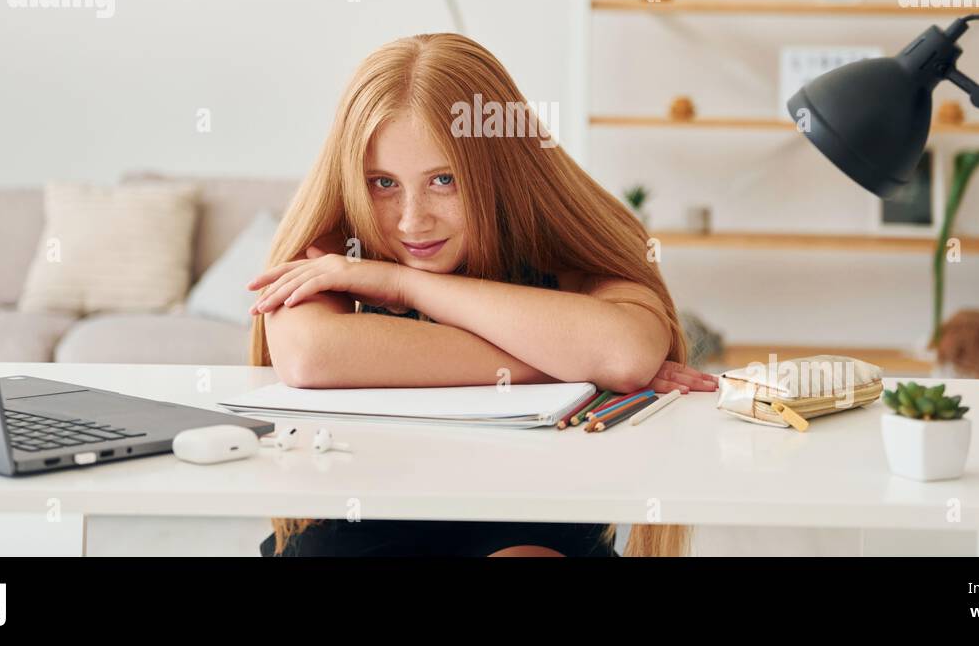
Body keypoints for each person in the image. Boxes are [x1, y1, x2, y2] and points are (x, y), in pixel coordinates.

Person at [246, 33, 716, 557]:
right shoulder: (340, 237)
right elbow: (311, 356)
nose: (412, 220)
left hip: (530, 514)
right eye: (383, 183)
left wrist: (405, 283)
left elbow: (624, 352)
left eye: (443, 180)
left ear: (499, 167)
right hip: (369, 511)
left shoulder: (562, 241)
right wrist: (572, 366)